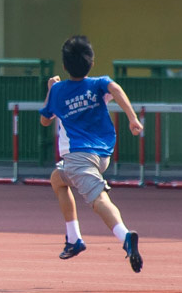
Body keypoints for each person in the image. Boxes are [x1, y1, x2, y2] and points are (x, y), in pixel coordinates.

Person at [39, 35, 144, 273]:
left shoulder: (58, 90)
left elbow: (45, 120)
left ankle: (125, 236)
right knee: (57, 179)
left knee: (99, 199)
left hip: (79, 156)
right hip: (102, 155)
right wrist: (132, 118)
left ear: (64, 65)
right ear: (92, 62)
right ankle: (73, 239)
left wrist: (50, 90)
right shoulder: (98, 83)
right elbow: (115, 88)